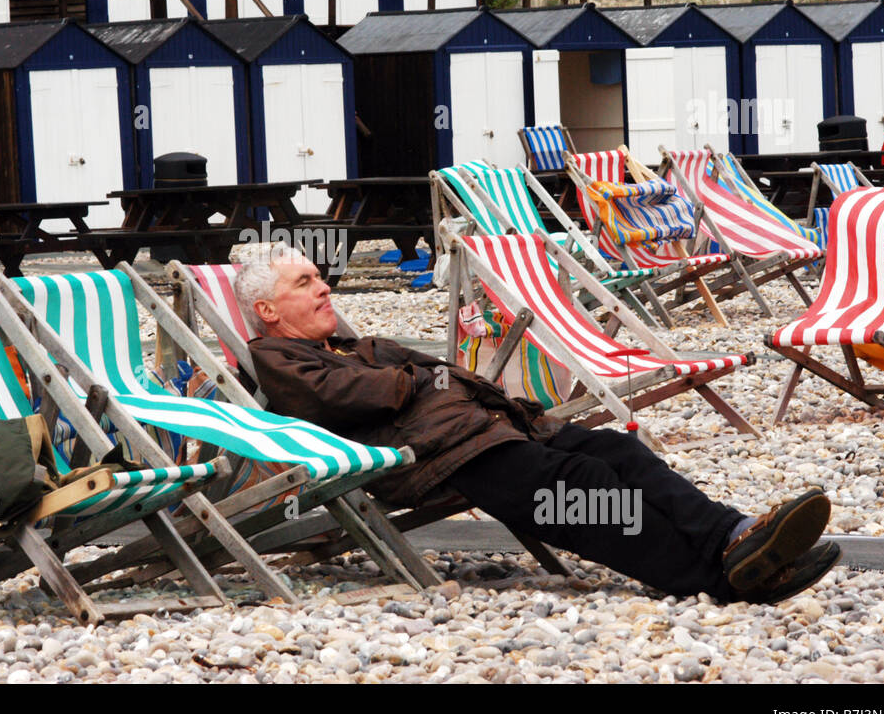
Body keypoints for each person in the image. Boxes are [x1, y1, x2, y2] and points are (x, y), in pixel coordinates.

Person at [234, 243, 840, 605]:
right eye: (305, 282)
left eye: (319, 276)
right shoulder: (277, 359)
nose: (324, 287)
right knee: (581, 489)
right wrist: (417, 381)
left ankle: (734, 537)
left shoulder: (354, 343)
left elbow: (430, 374)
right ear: (267, 310)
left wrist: (425, 382)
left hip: (481, 431)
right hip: (438, 457)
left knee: (614, 450)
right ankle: (727, 580)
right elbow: (361, 394)